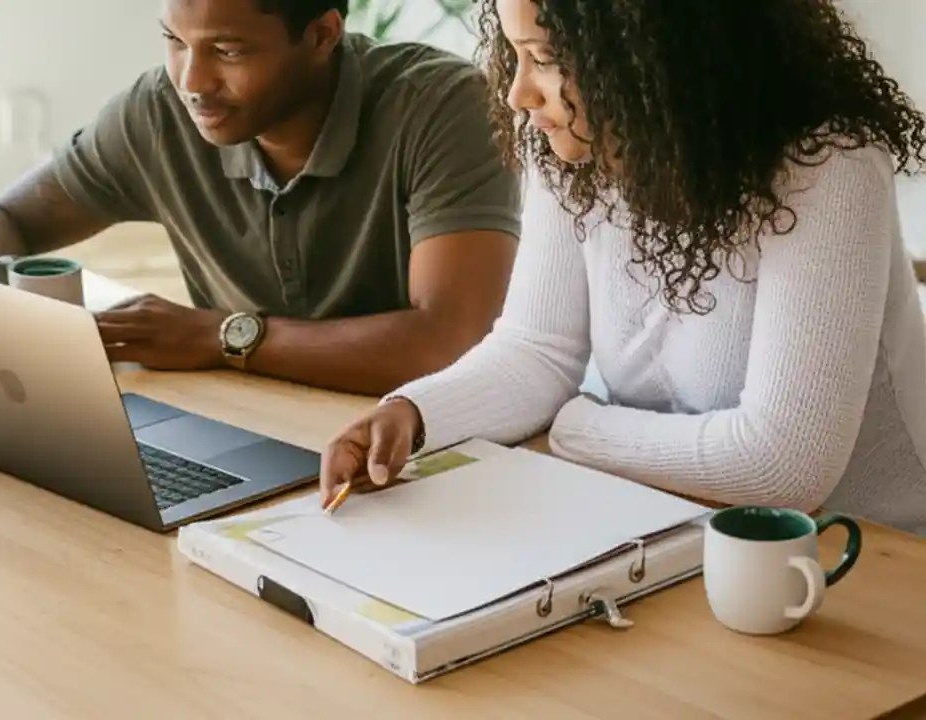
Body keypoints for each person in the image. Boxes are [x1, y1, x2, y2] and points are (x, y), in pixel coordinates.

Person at [322, 0, 926, 535]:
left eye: (546, 56)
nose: (519, 92)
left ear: (651, 53)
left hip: (872, 553)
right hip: (683, 519)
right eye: (515, 54)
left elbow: (782, 463)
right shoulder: (576, 149)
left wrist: (577, 427)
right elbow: (536, 350)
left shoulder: (828, 164)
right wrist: (412, 416)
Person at [0, 0, 523, 397]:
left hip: (415, 448)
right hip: (247, 427)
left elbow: (454, 341)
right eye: (174, 41)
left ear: (321, 35)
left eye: (228, 51)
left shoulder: (442, 108)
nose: (191, 81)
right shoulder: (157, 115)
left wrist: (220, 337)